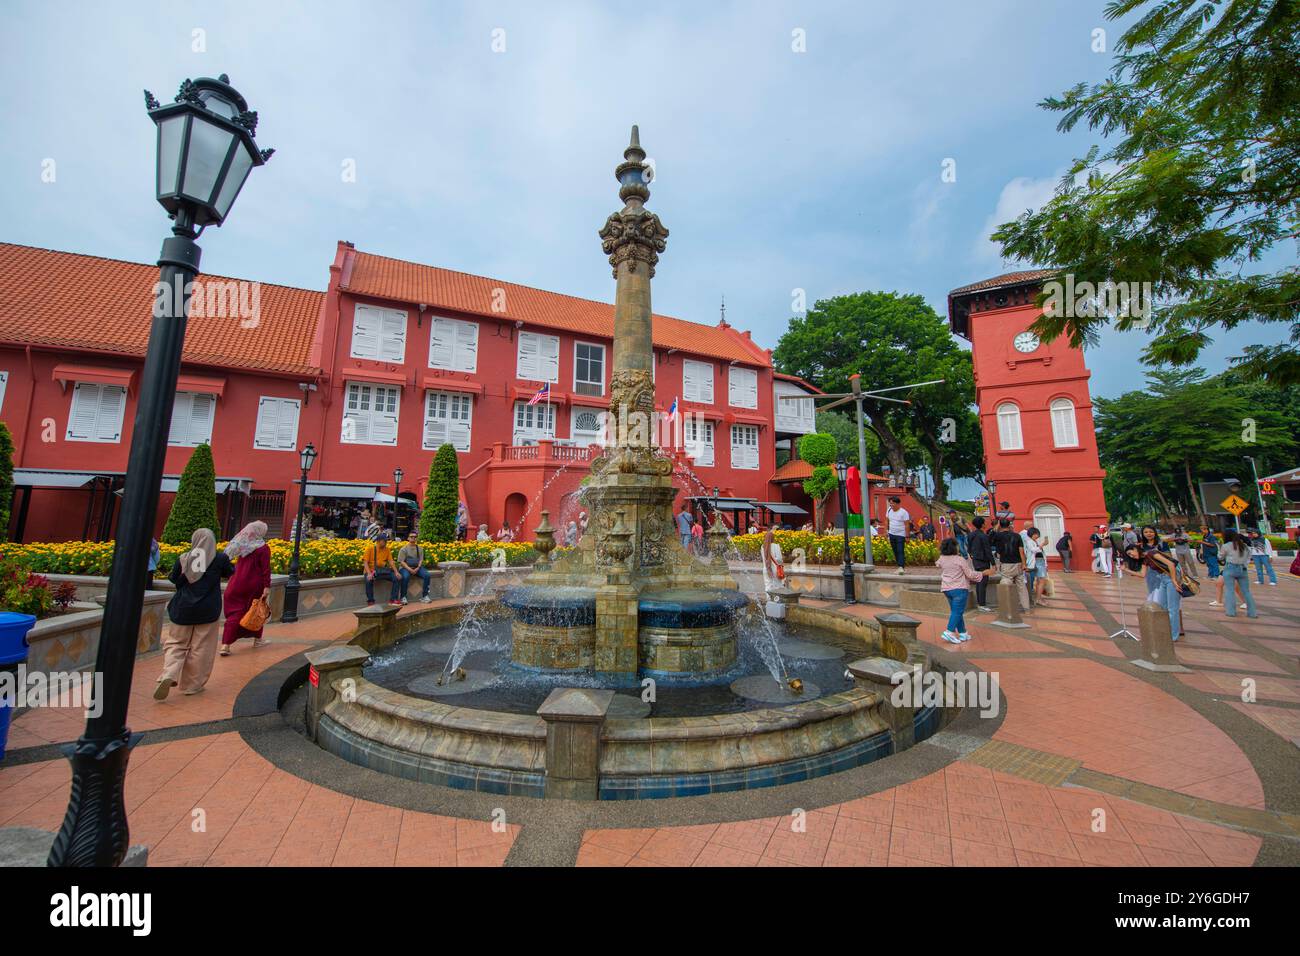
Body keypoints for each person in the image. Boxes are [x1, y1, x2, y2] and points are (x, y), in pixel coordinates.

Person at [155, 528, 234, 699]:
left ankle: (169, 673)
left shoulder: (184, 558)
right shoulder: (220, 558)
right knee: (201, 648)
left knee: (175, 643)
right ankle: (191, 685)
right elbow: (230, 572)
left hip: (182, 608)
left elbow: (174, 579)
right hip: (207, 610)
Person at [220, 521, 271, 655]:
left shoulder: (241, 546)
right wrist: (267, 586)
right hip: (254, 585)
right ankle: (257, 640)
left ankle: (226, 644)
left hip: (236, 583)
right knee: (256, 611)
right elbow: (266, 570)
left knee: (235, 614)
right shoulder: (263, 548)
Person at [1125, 524, 1183, 638]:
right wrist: (1125, 570)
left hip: (1170, 576)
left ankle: (1173, 634)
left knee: (1173, 608)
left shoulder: (1154, 550)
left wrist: (1174, 581)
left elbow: (1170, 563)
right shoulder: (1144, 554)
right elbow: (1142, 574)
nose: (1148, 534)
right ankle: (1166, 630)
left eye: (1150, 531)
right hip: (1157, 578)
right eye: (1145, 532)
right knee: (1161, 605)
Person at [936, 537, 991, 644]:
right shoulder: (960, 560)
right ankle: (949, 631)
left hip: (947, 589)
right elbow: (970, 574)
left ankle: (963, 633)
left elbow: (937, 563)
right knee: (957, 612)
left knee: (957, 612)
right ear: (954, 548)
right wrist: (983, 573)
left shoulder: (942, 559)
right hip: (959, 589)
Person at [991, 518, 1030, 612]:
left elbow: (990, 541)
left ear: (1000, 525)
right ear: (1009, 525)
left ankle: (1007, 607)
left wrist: (996, 527)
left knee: (1005, 585)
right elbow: (1021, 551)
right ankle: (1026, 608)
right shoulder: (1017, 536)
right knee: (1021, 586)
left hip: (1006, 565)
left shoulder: (997, 536)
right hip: (1018, 564)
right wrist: (1024, 564)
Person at [1220, 530, 1257, 619]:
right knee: (1246, 591)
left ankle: (1231, 612)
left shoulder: (1226, 546)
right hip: (1242, 569)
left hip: (1230, 568)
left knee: (1230, 590)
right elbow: (1249, 557)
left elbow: (1220, 557)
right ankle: (1252, 613)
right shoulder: (1244, 546)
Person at [364, 530, 403, 607]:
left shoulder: (387, 549)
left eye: (386, 541)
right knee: (368, 580)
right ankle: (370, 601)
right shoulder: (370, 549)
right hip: (371, 571)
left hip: (382, 571)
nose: (386, 542)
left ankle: (393, 599)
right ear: (378, 541)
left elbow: (391, 561)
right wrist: (368, 573)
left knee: (396, 578)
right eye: (384, 541)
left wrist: (396, 572)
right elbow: (365, 562)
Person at [966, 515, 995, 611]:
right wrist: (993, 563)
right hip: (983, 561)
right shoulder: (983, 536)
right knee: (983, 582)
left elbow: (969, 547)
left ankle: (980, 603)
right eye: (984, 522)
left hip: (976, 560)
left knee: (979, 581)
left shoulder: (971, 535)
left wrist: (971, 554)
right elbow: (988, 550)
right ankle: (982, 604)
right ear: (982, 524)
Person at [398, 532, 433, 604]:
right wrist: (410, 569)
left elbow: (420, 560)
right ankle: (403, 597)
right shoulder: (404, 549)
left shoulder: (420, 549)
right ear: (408, 538)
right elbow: (402, 562)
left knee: (427, 575)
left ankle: (425, 596)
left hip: (417, 567)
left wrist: (418, 568)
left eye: (415, 537)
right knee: (406, 576)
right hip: (405, 568)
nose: (413, 538)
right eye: (411, 536)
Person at [885, 496, 911, 574]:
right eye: (890, 504)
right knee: (895, 550)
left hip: (901, 535)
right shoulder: (889, 510)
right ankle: (899, 566)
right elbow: (886, 521)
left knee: (900, 550)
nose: (891, 505)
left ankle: (901, 567)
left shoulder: (904, 512)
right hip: (891, 533)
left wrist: (907, 536)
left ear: (898, 504)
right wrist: (886, 531)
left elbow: (907, 525)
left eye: (893, 504)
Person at [1023, 527, 1048, 606]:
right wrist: (1042, 544)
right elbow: (1034, 550)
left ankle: (1038, 597)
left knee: (1039, 581)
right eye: (1036, 534)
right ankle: (1038, 598)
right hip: (1036, 563)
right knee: (1041, 580)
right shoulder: (1029, 541)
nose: (1037, 536)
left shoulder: (1034, 541)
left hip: (1039, 562)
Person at [760, 528, 785, 592]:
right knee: (777, 586)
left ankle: (769, 599)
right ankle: (776, 600)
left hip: (766, 569)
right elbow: (779, 559)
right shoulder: (776, 546)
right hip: (775, 569)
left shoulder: (762, 547)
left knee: (768, 585)